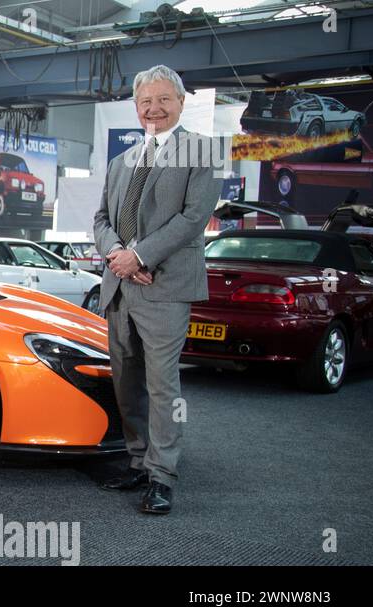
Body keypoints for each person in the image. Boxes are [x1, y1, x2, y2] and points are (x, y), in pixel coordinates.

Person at [91, 64, 223, 513]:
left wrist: (140, 256)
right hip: (121, 287)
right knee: (126, 383)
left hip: (165, 287)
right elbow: (101, 221)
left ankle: (162, 477)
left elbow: (191, 220)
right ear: (136, 107)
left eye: (164, 99)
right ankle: (136, 462)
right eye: (146, 101)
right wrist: (119, 257)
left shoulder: (203, 152)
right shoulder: (120, 161)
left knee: (163, 386)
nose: (154, 108)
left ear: (182, 103)